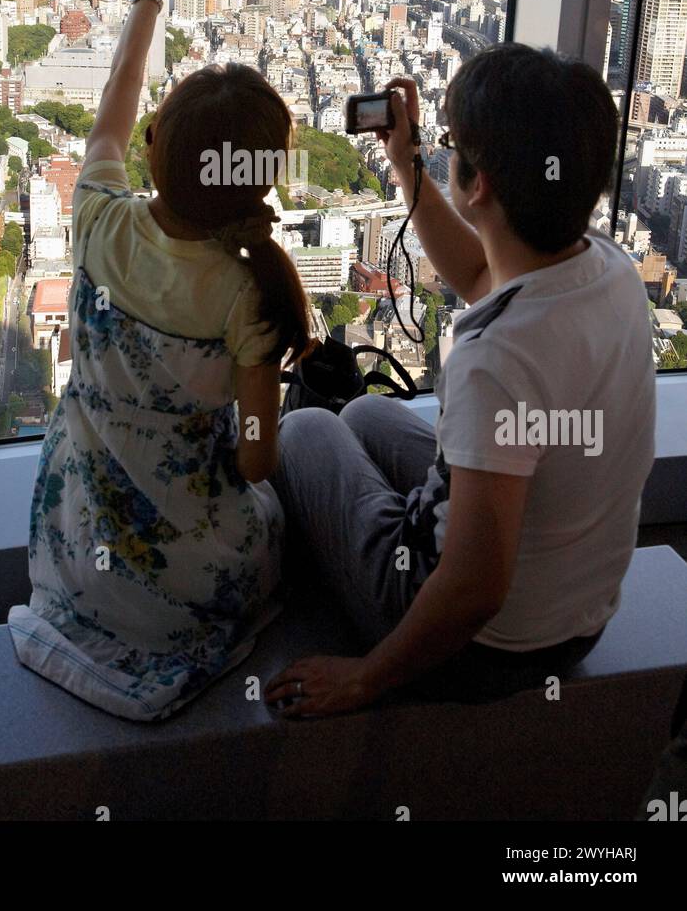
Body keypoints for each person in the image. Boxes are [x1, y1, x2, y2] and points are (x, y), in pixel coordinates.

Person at [266, 43, 657, 718]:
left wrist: (365, 678)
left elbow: (477, 586)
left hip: (486, 649)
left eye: (452, 145)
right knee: (363, 418)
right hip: (578, 614)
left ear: (476, 185)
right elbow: (480, 274)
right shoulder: (610, 270)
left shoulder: (497, 358)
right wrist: (406, 163)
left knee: (305, 429)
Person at [9, 0, 312, 721]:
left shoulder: (98, 217)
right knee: (290, 504)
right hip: (196, 576)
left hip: (75, 550)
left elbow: (116, 93)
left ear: (152, 149)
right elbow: (254, 460)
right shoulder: (248, 290)